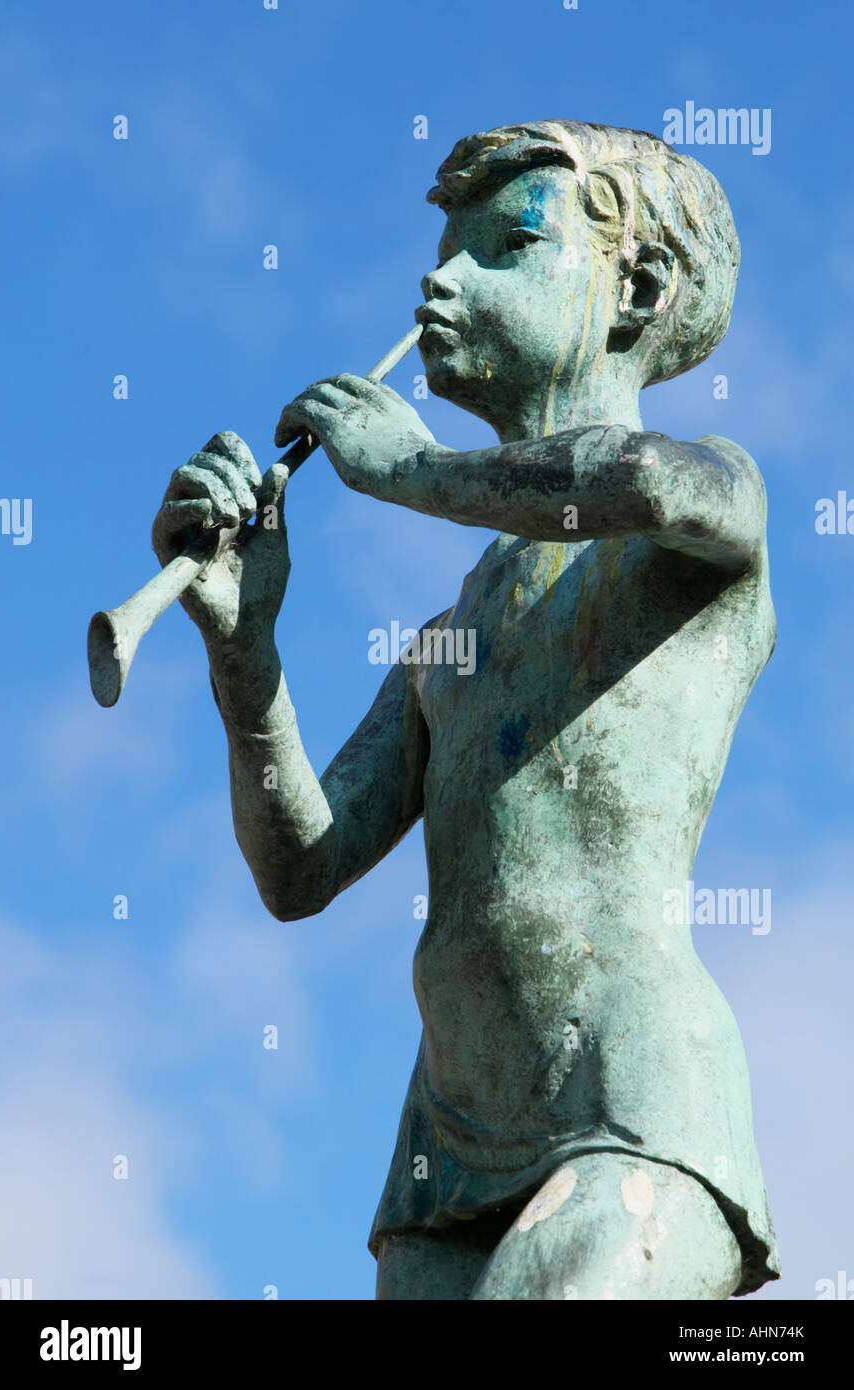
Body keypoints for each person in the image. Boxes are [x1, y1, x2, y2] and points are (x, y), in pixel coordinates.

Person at [152, 120, 779, 1300]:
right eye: (447, 252)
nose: (442, 279)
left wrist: (411, 474)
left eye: (503, 248)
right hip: (443, 1149)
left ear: (635, 288)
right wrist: (246, 651)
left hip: (628, 1109)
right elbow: (301, 865)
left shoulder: (706, 500)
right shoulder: (450, 638)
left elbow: (637, 481)